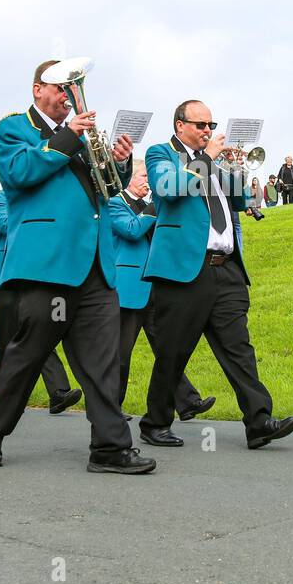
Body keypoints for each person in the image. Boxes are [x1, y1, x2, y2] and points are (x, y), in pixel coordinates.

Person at [0, 61, 154, 475]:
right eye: (62, 89)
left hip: (95, 266)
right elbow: (18, 174)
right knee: (27, 355)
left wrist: (120, 165)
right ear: (38, 89)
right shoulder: (14, 128)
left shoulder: (83, 137)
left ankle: (108, 447)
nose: (69, 97)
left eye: (73, 90)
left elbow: (108, 192)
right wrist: (70, 136)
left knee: (101, 361)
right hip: (47, 268)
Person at [138, 100, 293, 450]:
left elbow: (239, 201)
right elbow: (168, 188)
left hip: (225, 269)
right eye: (200, 125)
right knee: (174, 351)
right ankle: (155, 422)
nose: (207, 131)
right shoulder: (160, 153)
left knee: (239, 349)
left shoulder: (211, 161)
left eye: (211, 125)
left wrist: (236, 169)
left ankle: (259, 422)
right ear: (180, 125)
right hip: (185, 271)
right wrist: (208, 158)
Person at [109, 158, 214, 420]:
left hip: (156, 285)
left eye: (148, 177)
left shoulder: (151, 207)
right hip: (130, 289)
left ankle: (187, 401)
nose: (148, 182)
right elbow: (132, 230)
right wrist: (159, 205)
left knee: (168, 347)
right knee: (120, 355)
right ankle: (111, 408)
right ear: (130, 178)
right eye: (143, 177)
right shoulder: (115, 203)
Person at [0, 189, 82, 410]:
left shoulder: (36, 197)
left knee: (40, 330)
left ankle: (58, 392)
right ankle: (2, 396)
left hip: (35, 275)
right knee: (7, 342)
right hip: (6, 277)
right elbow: (8, 226)